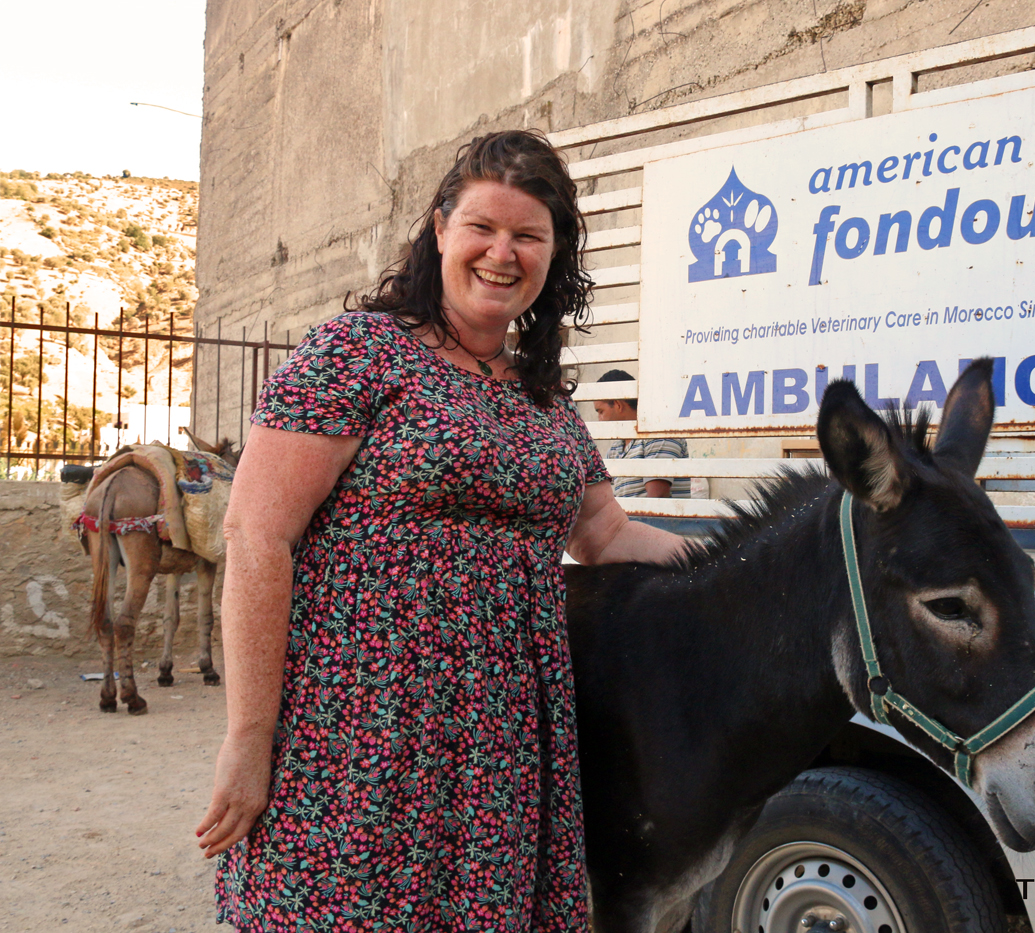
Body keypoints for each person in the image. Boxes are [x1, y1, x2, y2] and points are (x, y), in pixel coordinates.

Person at [195, 130, 687, 933]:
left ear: (554, 254)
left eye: (528, 235)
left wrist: (752, 558)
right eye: (482, 227)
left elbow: (605, 532)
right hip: (359, 730)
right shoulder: (359, 353)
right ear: (439, 230)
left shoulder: (543, 398)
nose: (502, 253)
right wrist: (249, 737)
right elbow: (256, 536)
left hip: (502, 745)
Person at [592, 369, 692, 498]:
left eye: (601, 411)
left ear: (618, 405)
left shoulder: (657, 434)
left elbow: (657, 497)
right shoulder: (615, 448)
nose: (599, 419)